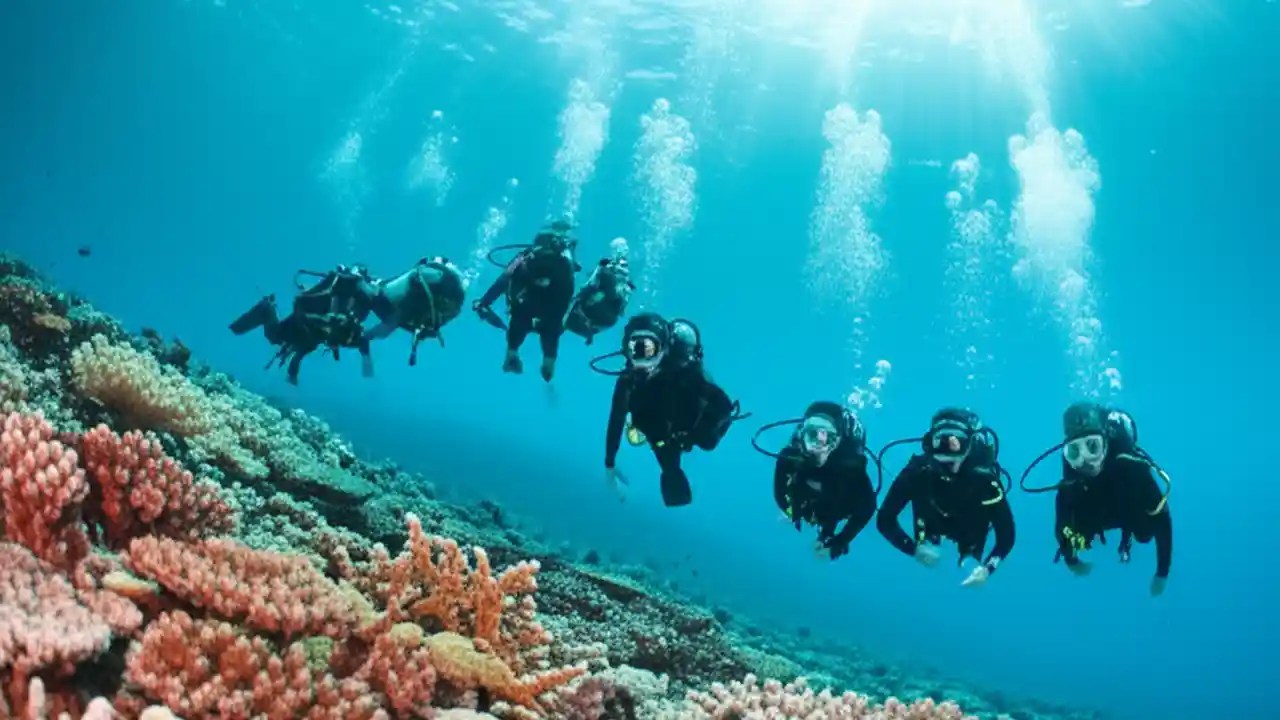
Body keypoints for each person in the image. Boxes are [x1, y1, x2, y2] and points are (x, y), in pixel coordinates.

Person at [601, 312, 744, 507]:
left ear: (663, 349)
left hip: (687, 422)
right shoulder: (628, 381)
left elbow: (723, 405)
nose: (642, 360)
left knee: (707, 443)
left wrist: (698, 430)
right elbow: (616, 419)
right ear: (627, 350)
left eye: (648, 349)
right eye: (637, 349)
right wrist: (609, 463)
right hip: (659, 430)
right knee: (672, 478)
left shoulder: (685, 372)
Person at [1041, 402, 1173, 597]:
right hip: (1096, 510)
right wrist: (1072, 561)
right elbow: (1061, 525)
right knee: (1076, 536)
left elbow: (1163, 523)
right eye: (1075, 452)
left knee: (1145, 535)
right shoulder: (1071, 484)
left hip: (1127, 508)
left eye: (1092, 447)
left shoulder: (1134, 470)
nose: (1086, 461)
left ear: (1106, 443)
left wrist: (1162, 573)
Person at [875, 407, 1015, 587]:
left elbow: (1006, 536)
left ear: (971, 444)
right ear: (929, 442)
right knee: (930, 547)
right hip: (930, 522)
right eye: (941, 442)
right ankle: (937, 545)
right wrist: (913, 549)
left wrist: (987, 569)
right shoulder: (917, 472)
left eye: (958, 443)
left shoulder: (986, 480)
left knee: (970, 559)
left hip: (971, 526)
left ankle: (968, 557)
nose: (950, 459)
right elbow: (885, 519)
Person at [755, 401, 877, 561]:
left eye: (829, 439)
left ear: (837, 441)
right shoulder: (791, 456)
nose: (818, 448)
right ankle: (804, 516)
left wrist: (839, 541)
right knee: (801, 495)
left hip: (838, 494)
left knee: (838, 493)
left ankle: (823, 531)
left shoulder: (850, 466)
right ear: (803, 435)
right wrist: (791, 511)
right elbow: (780, 491)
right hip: (811, 489)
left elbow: (867, 508)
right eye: (813, 436)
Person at [229, 264, 379, 384]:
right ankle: (265, 309)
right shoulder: (335, 296)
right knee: (273, 335)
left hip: (308, 335)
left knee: (283, 340)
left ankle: (261, 314)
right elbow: (302, 302)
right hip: (300, 328)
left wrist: (292, 377)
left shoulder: (349, 310)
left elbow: (302, 352)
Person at [473, 219, 579, 381]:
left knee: (518, 318)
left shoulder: (526, 255)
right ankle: (549, 362)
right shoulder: (565, 260)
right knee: (551, 329)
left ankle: (512, 353)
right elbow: (570, 290)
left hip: (526, 306)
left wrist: (485, 302)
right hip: (554, 310)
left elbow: (505, 278)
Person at [363, 256, 466, 367]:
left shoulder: (425, 282)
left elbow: (394, 321)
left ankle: (365, 278)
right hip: (404, 309)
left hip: (395, 305)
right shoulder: (449, 293)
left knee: (378, 293)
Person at [564, 242, 634, 345]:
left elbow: (585, 292)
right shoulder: (616, 283)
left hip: (598, 314)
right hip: (603, 318)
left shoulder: (605, 275)